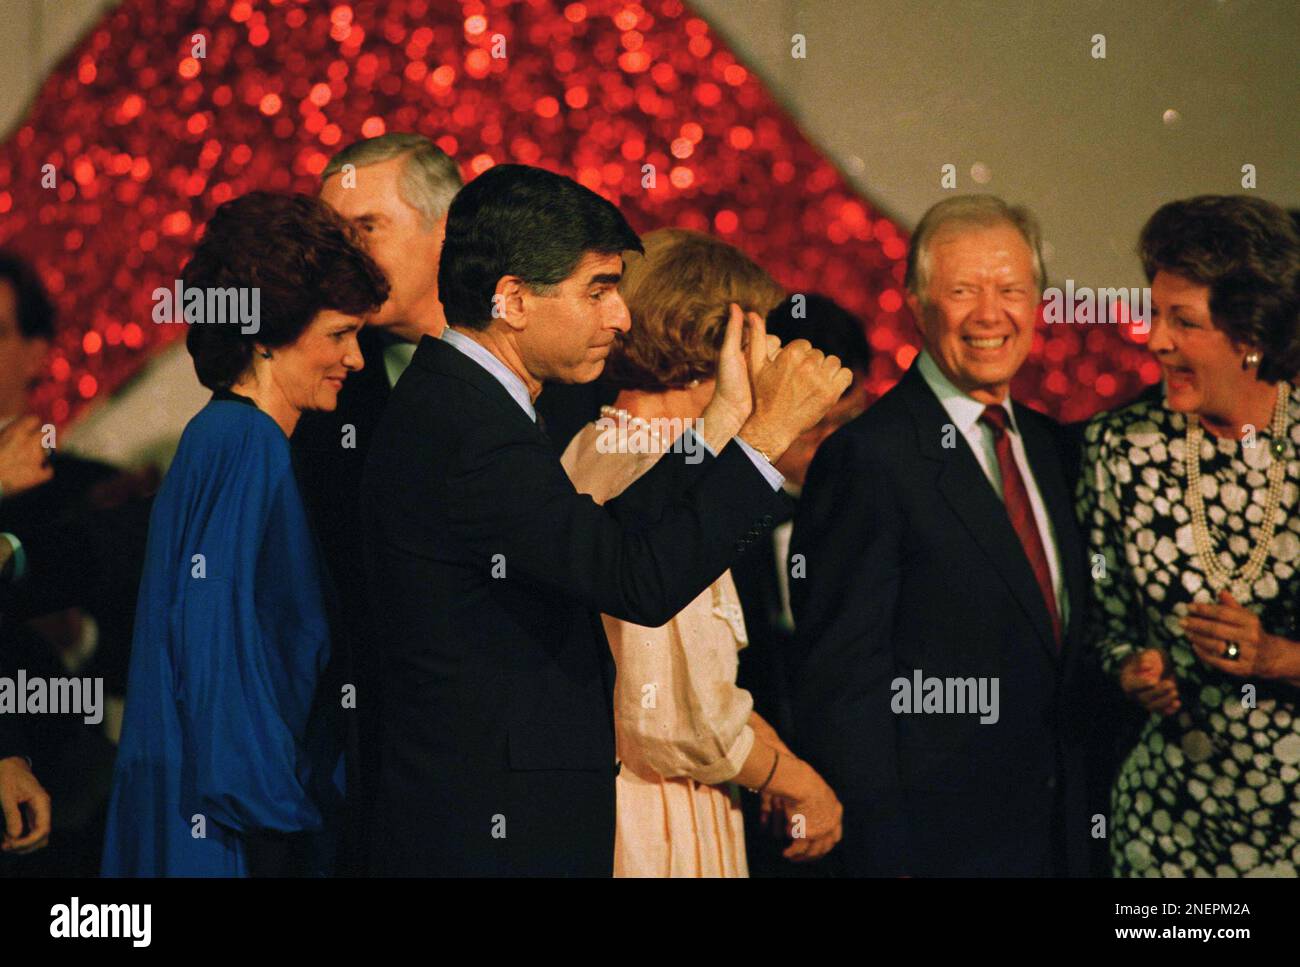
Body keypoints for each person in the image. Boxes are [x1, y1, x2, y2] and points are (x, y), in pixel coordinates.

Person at [361, 164, 850, 876]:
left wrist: (717, 429)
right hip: (491, 841)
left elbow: (605, 536)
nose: (621, 317)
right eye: (598, 290)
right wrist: (767, 439)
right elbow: (635, 578)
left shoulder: (467, 403)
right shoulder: (469, 428)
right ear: (514, 299)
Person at [789, 195, 1092, 877]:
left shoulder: (1054, 449)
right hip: (935, 855)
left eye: (1011, 289)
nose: (991, 313)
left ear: (1039, 301)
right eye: (963, 291)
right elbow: (842, 688)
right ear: (919, 302)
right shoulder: (867, 457)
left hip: (1061, 844)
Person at [101, 192, 388, 876]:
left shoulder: (220, 437)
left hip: (209, 807)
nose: (355, 358)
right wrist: (277, 817)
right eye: (340, 334)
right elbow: (213, 649)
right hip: (231, 829)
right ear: (264, 335)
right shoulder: (246, 445)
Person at [560, 228, 843, 876]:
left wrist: (765, 751)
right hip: (656, 824)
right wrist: (800, 782)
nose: (773, 358)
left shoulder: (592, 444)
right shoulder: (662, 473)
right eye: (763, 337)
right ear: (722, 340)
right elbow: (676, 719)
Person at [1078, 195, 1300, 877]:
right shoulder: (1120, 446)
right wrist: (1128, 667)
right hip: (1167, 834)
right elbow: (1098, 616)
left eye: (1184, 321)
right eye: (1155, 314)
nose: (1155, 340)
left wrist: (1275, 659)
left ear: (1250, 334)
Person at [298, 132, 462, 874]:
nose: (346, 256)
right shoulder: (316, 396)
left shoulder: (564, 381)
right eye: (334, 236)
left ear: (446, 229)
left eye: (367, 228)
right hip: (374, 789)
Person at [732, 292, 871, 876]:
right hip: (752, 794)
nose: (830, 446)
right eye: (814, 427)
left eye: (848, 423)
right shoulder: (719, 510)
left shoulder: (883, 503)